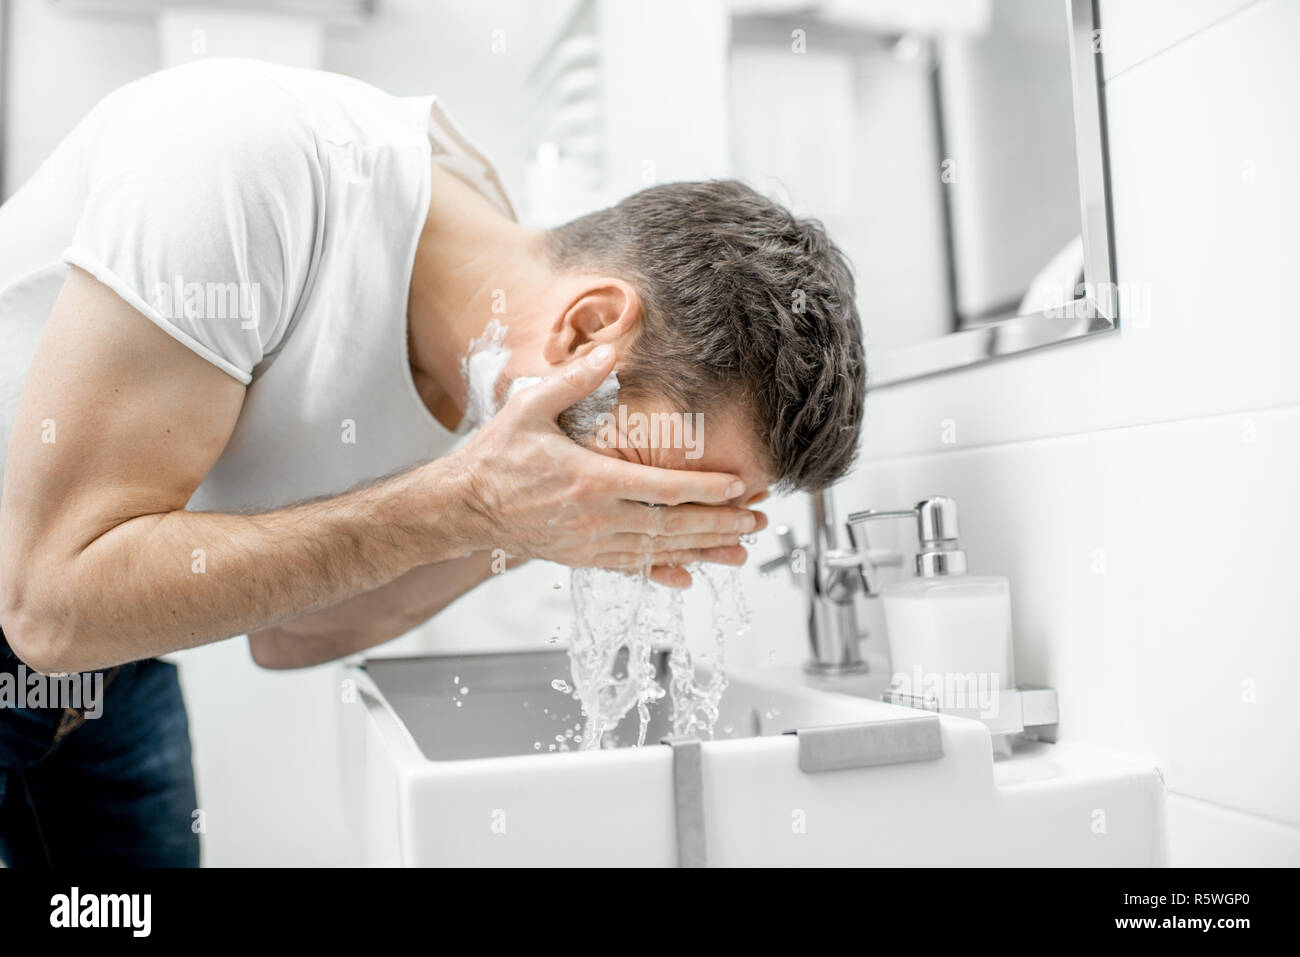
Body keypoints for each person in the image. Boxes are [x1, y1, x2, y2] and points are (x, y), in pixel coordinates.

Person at [0, 58, 864, 865]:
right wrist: (470, 507)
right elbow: (45, 604)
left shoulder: (492, 343)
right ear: (590, 331)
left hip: (106, 659)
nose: (654, 509)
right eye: (667, 480)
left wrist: (527, 528)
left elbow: (291, 630)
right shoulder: (244, 174)